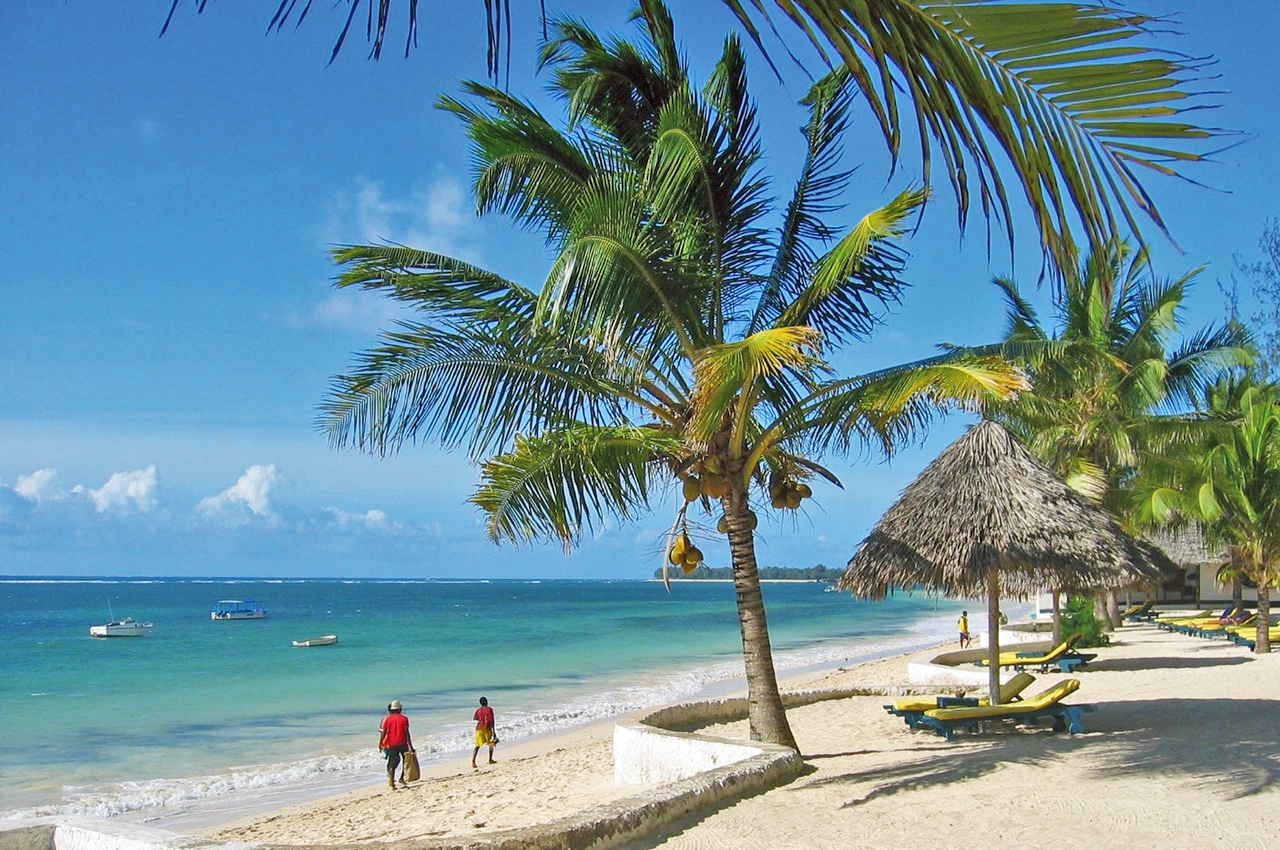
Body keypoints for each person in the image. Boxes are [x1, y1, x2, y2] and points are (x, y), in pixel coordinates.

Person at [379, 700, 414, 790]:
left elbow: (384, 732)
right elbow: (407, 733)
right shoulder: (404, 719)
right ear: (400, 709)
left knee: (392, 762)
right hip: (402, 743)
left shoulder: (388, 719)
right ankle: (402, 778)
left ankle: (391, 782)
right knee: (405, 762)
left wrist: (380, 742)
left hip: (391, 744)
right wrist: (411, 746)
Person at [471, 696, 497, 769]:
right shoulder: (489, 709)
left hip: (479, 728)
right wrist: (494, 732)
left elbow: (476, 718)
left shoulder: (478, 710)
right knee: (491, 744)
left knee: (477, 745)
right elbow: (492, 721)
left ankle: (473, 761)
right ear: (487, 702)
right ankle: (490, 759)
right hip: (487, 728)